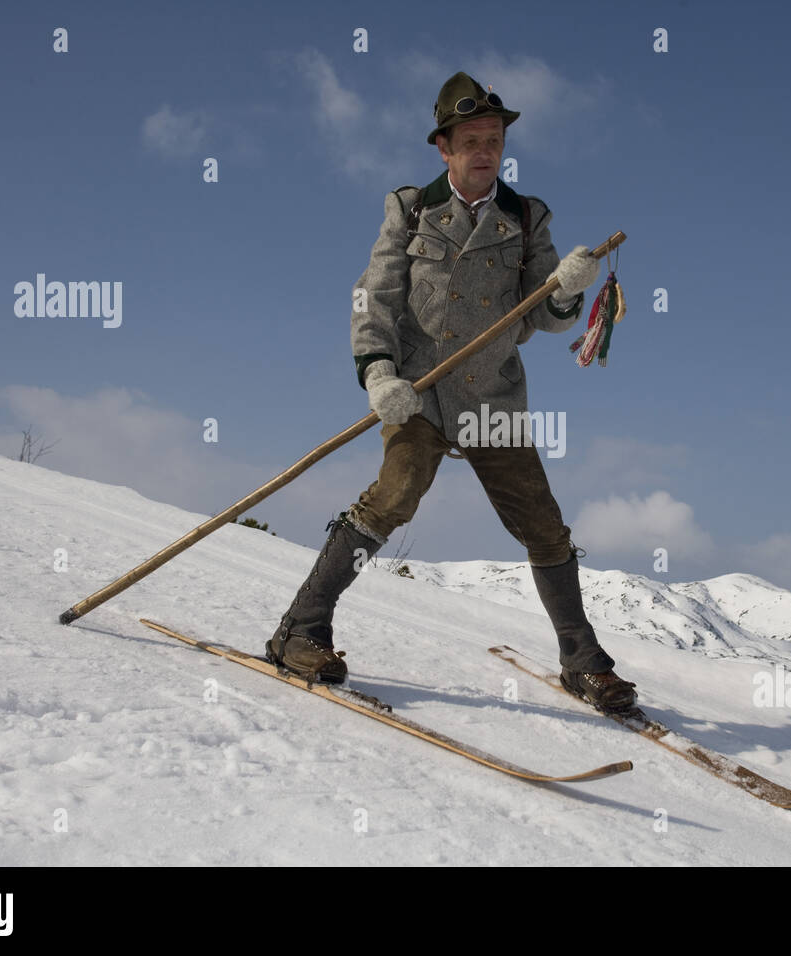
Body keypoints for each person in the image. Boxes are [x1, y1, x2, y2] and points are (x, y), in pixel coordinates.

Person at [267, 72, 636, 713]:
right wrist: (379, 373)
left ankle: (584, 663)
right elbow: (373, 298)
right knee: (392, 500)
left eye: (493, 139)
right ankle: (301, 629)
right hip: (421, 396)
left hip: (492, 399)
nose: (484, 151)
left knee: (544, 528)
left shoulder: (526, 217)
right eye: (471, 140)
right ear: (445, 147)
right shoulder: (409, 210)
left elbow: (543, 317)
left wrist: (568, 287)